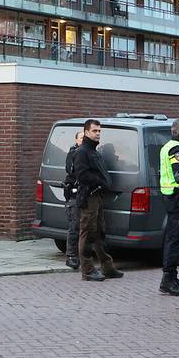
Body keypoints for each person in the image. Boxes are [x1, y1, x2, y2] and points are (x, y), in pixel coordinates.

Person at [72, 119, 124, 282]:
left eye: (99, 131)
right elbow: (82, 175)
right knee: (87, 232)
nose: (98, 133)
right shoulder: (82, 152)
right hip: (89, 197)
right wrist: (100, 182)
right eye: (95, 131)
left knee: (99, 232)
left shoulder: (94, 151)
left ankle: (107, 266)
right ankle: (87, 270)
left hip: (98, 197)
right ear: (86, 132)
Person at [156, 118, 179, 295]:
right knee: (175, 239)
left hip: (174, 196)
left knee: (176, 238)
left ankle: (172, 276)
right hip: (178, 196)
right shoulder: (177, 149)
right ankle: (167, 279)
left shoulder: (170, 146)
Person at [61, 130, 85, 270]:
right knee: (74, 226)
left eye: (84, 138)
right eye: (80, 138)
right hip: (74, 195)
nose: (82, 140)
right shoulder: (73, 153)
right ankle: (71, 256)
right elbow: (72, 170)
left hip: (83, 195)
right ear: (76, 140)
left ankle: (82, 254)